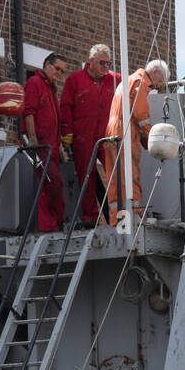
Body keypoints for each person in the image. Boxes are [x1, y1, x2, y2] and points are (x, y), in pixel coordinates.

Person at [103, 59, 169, 224]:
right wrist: (151, 138)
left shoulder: (128, 81)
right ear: (154, 72)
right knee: (130, 176)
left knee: (115, 179)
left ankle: (116, 220)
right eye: (159, 81)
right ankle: (135, 217)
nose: (156, 86)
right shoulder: (140, 82)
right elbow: (141, 114)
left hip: (112, 131)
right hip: (125, 130)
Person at [59, 44, 118, 227]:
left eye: (108, 64)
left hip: (107, 136)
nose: (105, 67)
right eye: (102, 63)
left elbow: (132, 87)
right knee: (87, 176)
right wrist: (67, 132)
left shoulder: (115, 80)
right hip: (83, 138)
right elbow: (66, 107)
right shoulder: (74, 80)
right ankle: (90, 217)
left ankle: (118, 215)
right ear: (91, 61)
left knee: (117, 174)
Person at [23, 52, 68, 232]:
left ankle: (54, 222)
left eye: (62, 71)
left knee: (53, 183)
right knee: (50, 183)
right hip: (42, 147)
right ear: (47, 65)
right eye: (57, 68)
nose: (59, 73)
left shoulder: (51, 87)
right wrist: (33, 140)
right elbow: (29, 112)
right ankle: (49, 224)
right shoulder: (35, 84)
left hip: (52, 147)